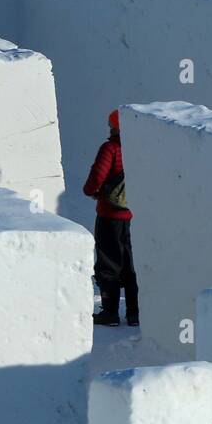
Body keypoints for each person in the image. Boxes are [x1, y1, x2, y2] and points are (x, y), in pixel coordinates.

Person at [83, 109, 138, 328]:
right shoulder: (140, 148)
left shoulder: (111, 149)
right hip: (134, 217)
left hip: (110, 215)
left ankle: (111, 313)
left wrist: (92, 191)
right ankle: (135, 314)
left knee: (108, 262)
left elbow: (96, 177)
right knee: (132, 265)